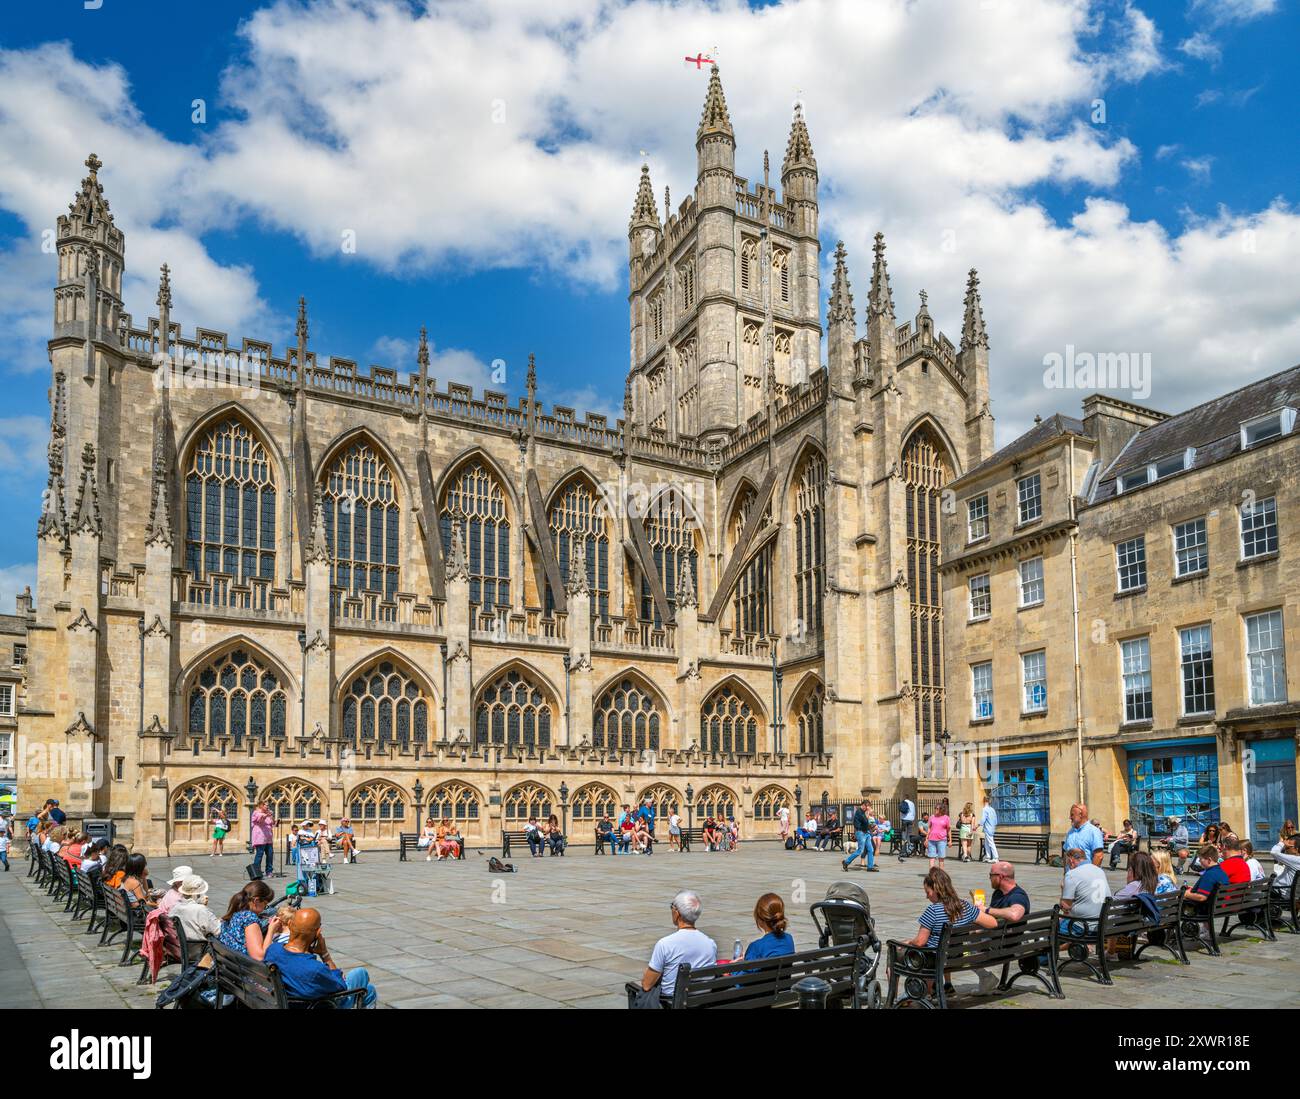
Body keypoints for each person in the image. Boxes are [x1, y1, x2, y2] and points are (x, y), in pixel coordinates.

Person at [265, 908, 377, 1007]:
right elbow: (341, 986)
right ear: (318, 932)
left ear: (289, 924)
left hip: (287, 1002)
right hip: (317, 1005)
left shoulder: (273, 950)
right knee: (361, 973)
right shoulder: (315, 969)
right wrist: (325, 955)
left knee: (369, 991)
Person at [639, 890, 717, 1001]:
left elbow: (647, 985)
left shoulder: (665, 944)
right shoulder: (710, 944)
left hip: (671, 1002)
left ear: (677, 913)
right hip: (700, 1001)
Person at [903, 868, 998, 950]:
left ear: (936, 889)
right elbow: (993, 923)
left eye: (928, 892)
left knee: (896, 950)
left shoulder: (933, 911)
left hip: (933, 959)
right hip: (956, 957)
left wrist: (909, 942)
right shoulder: (965, 906)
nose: (927, 897)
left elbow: (920, 942)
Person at [218, 879, 279, 959]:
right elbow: (259, 957)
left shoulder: (236, 913)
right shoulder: (249, 919)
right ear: (256, 901)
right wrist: (271, 930)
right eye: (265, 904)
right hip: (244, 966)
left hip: (231, 961)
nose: (265, 908)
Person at [1059, 847, 1112, 932]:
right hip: (1101, 925)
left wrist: (1062, 889)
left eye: (1067, 864)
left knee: (1052, 931)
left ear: (1071, 860)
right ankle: (1085, 945)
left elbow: (1066, 907)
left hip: (1082, 926)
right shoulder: (1099, 871)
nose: (1069, 866)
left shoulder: (1072, 874)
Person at [171, 874, 224, 941]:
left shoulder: (176, 907)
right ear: (197, 895)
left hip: (183, 947)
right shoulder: (201, 910)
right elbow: (217, 931)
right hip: (201, 947)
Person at [744, 893, 795, 960]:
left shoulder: (756, 947)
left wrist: (734, 963)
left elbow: (744, 969)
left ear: (760, 920)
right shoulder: (789, 939)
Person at [1184, 844, 1228, 908]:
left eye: (1200, 859)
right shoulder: (1220, 871)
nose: (1199, 861)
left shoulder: (1209, 874)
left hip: (1202, 909)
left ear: (1209, 860)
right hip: (1218, 905)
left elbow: (1201, 897)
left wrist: (1185, 894)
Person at [843, 798, 878, 873]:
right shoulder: (859, 812)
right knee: (860, 850)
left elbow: (867, 824)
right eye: (867, 806)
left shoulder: (864, 812)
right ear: (863, 805)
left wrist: (871, 828)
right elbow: (865, 822)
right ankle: (846, 862)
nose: (868, 808)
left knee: (870, 849)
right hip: (861, 833)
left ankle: (870, 867)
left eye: (869, 806)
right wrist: (868, 814)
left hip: (866, 833)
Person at [250, 800, 275, 879]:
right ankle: (257, 873)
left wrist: (271, 816)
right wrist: (266, 815)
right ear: (261, 805)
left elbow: (273, 823)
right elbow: (260, 821)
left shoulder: (267, 814)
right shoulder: (256, 813)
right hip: (260, 838)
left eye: (268, 805)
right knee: (259, 855)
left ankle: (269, 871)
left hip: (268, 838)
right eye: (266, 805)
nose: (267, 806)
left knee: (270, 855)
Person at [927, 798, 952, 869]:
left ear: (941, 809)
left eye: (937, 808)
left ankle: (941, 874)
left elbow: (949, 829)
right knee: (932, 857)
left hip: (942, 840)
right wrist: (926, 838)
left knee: (941, 858)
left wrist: (950, 840)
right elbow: (929, 828)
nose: (935, 810)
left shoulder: (946, 818)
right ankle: (931, 874)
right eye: (935, 808)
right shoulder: (932, 817)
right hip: (931, 840)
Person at [978, 796, 999, 862]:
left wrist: (977, 825)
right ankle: (988, 856)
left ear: (984, 801)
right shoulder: (992, 809)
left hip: (988, 828)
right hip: (992, 828)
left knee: (991, 842)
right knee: (987, 842)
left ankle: (996, 857)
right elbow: (995, 820)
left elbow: (983, 819)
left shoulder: (985, 809)